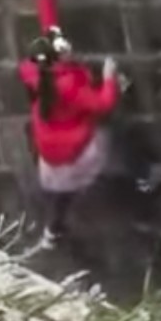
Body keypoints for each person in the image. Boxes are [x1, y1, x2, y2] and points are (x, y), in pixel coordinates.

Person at [19, 24, 119, 245]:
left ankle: (53, 230)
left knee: (62, 193)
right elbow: (103, 103)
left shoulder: (37, 74)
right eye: (65, 50)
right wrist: (108, 78)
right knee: (111, 140)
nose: (70, 49)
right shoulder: (67, 86)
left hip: (50, 148)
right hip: (72, 148)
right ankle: (144, 173)